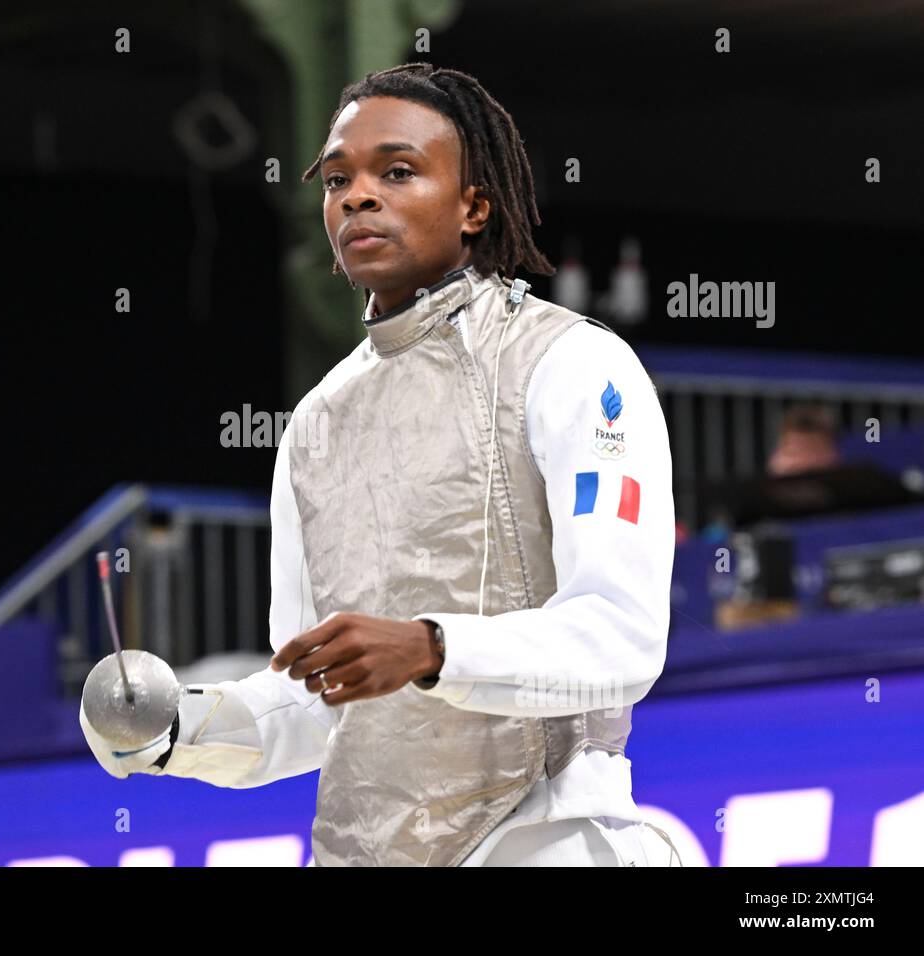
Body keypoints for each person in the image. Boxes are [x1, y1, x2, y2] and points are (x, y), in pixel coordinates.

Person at [82, 62, 680, 867]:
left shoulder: (572, 364)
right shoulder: (317, 426)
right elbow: (316, 700)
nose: (357, 197)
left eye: (397, 172)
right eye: (338, 180)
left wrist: (433, 647)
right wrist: (173, 729)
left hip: (546, 833)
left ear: (474, 205)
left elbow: (623, 639)